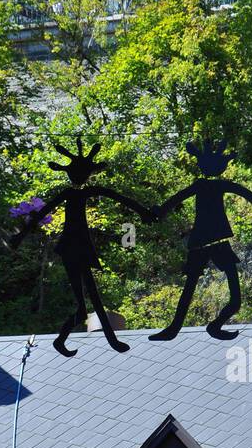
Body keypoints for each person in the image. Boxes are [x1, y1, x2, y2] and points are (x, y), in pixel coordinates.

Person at [9, 138, 153, 357]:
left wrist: (143, 211)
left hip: (72, 247)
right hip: (75, 247)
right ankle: (111, 340)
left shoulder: (75, 193)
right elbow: (118, 197)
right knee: (92, 296)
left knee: (83, 307)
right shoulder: (78, 193)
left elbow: (117, 197)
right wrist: (20, 236)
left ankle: (63, 340)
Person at [149, 140, 252, 342]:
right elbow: (246, 193)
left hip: (208, 242)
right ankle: (187, 327)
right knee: (218, 294)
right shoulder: (213, 185)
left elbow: (175, 200)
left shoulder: (204, 185)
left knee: (199, 291)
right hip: (209, 243)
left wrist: (159, 211)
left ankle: (199, 326)